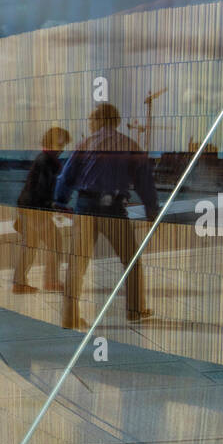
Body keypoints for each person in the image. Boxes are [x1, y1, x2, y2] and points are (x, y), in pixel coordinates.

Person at [53, 103, 159, 330]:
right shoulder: (130, 145)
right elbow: (145, 182)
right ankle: (134, 310)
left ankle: (69, 316)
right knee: (131, 260)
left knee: (77, 262)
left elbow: (66, 177)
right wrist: (151, 210)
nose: (89, 124)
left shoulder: (85, 144)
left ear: (100, 120)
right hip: (114, 208)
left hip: (85, 205)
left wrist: (60, 202)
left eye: (91, 119)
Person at [13, 126, 71, 294]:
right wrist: (56, 207)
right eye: (61, 144)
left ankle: (20, 283)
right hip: (36, 210)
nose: (62, 149)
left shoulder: (44, 158)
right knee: (55, 243)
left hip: (28, 207)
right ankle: (49, 281)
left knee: (30, 245)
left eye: (63, 145)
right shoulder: (47, 161)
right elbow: (43, 189)